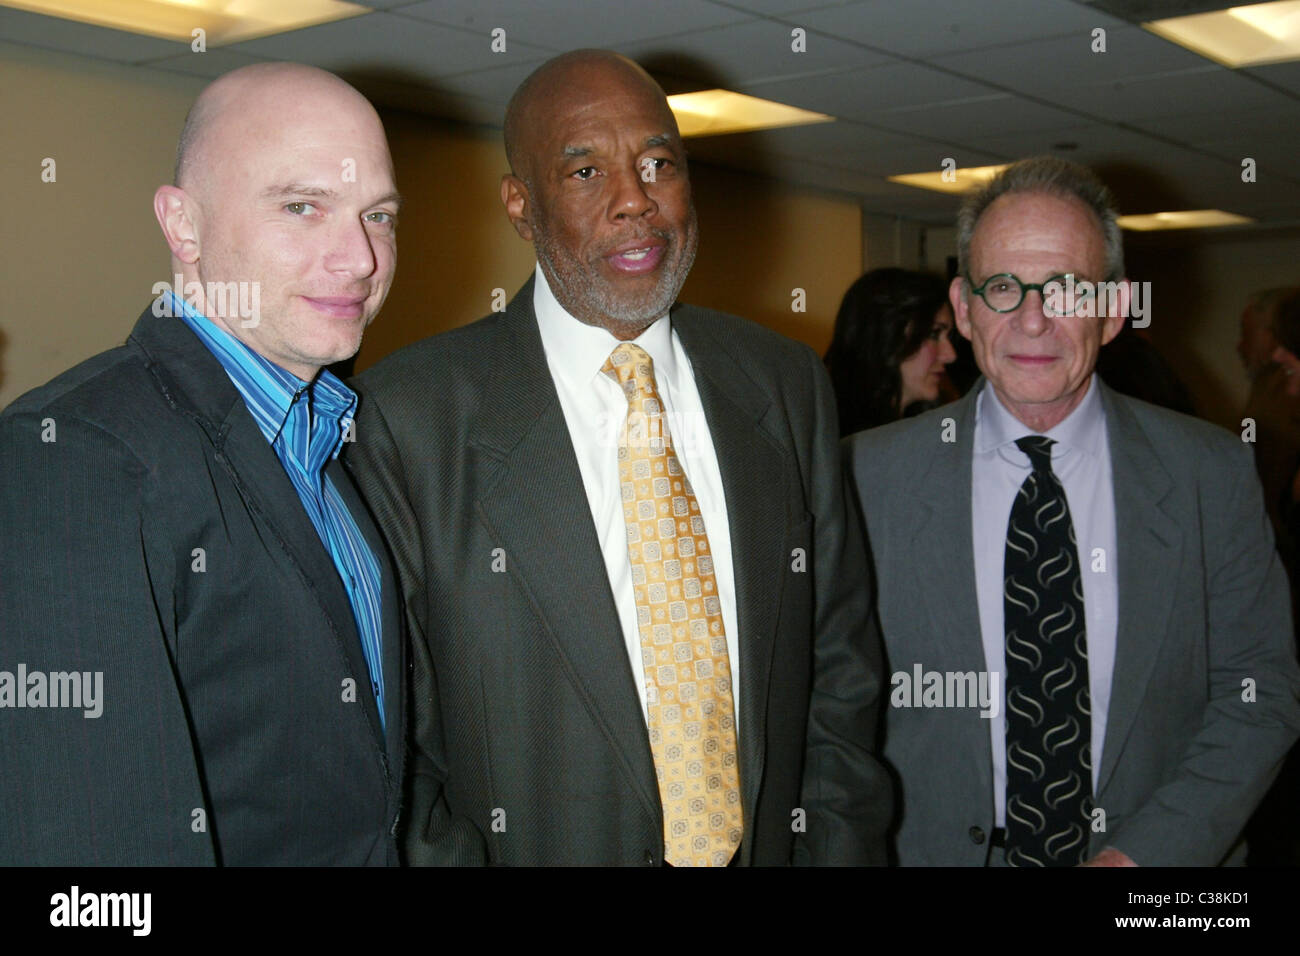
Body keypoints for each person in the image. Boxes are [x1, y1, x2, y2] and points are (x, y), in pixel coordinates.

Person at [347, 49, 890, 866]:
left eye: (657, 163)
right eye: (585, 173)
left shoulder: (783, 384)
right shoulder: (411, 419)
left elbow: (840, 673)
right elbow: (402, 745)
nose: (635, 201)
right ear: (520, 206)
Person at [0, 64, 406, 865]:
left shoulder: (331, 431)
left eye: (380, 216)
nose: (360, 257)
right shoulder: (72, 455)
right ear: (182, 227)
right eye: (302, 206)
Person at [846, 156, 1300, 866]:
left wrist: (1142, 857)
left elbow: (1261, 693)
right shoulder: (864, 478)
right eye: (1003, 288)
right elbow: (826, 708)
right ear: (964, 309)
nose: (1033, 320)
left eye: (1065, 289)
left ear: (1115, 308)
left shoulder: (1208, 474)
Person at [825, 268, 957, 434]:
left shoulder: (936, 425)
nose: (950, 355)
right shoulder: (829, 440)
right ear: (885, 336)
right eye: (934, 334)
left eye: (948, 337)